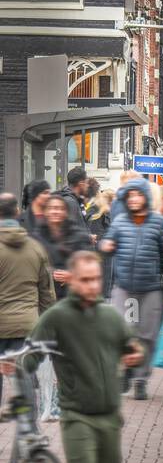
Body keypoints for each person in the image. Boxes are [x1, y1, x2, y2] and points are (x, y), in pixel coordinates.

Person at [29, 250, 143, 463]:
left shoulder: (110, 316)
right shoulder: (57, 317)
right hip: (76, 413)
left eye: (96, 279)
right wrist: (17, 369)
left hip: (109, 416)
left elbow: (130, 345)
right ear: (73, 281)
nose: (93, 286)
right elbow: (32, 353)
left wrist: (135, 354)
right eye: (86, 280)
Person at [98, 179, 163, 400]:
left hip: (151, 289)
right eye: (130, 196)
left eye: (138, 195)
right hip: (123, 287)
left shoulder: (158, 223)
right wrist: (104, 247)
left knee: (147, 335)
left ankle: (141, 379)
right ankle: (125, 369)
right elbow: (105, 246)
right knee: (122, 332)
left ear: (145, 197)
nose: (134, 199)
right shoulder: (120, 222)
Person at [0, 192, 55, 404]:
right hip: (27, 323)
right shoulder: (35, 247)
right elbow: (46, 292)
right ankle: (29, 422)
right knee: (24, 376)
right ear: (17, 212)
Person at [32, 193, 93, 299]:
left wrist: (72, 275)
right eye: (51, 208)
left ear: (66, 212)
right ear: (45, 211)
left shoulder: (78, 236)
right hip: (44, 295)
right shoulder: (36, 237)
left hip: (72, 296)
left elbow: (90, 266)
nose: (55, 212)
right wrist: (49, 274)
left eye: (60, 208)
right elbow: (31, 265)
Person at [56, 164, 91, 238]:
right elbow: (71, 232)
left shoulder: (75, 200)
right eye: (86, 182)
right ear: (81, 183)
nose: (87, 186)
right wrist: (88, 238)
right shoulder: (71, 202)